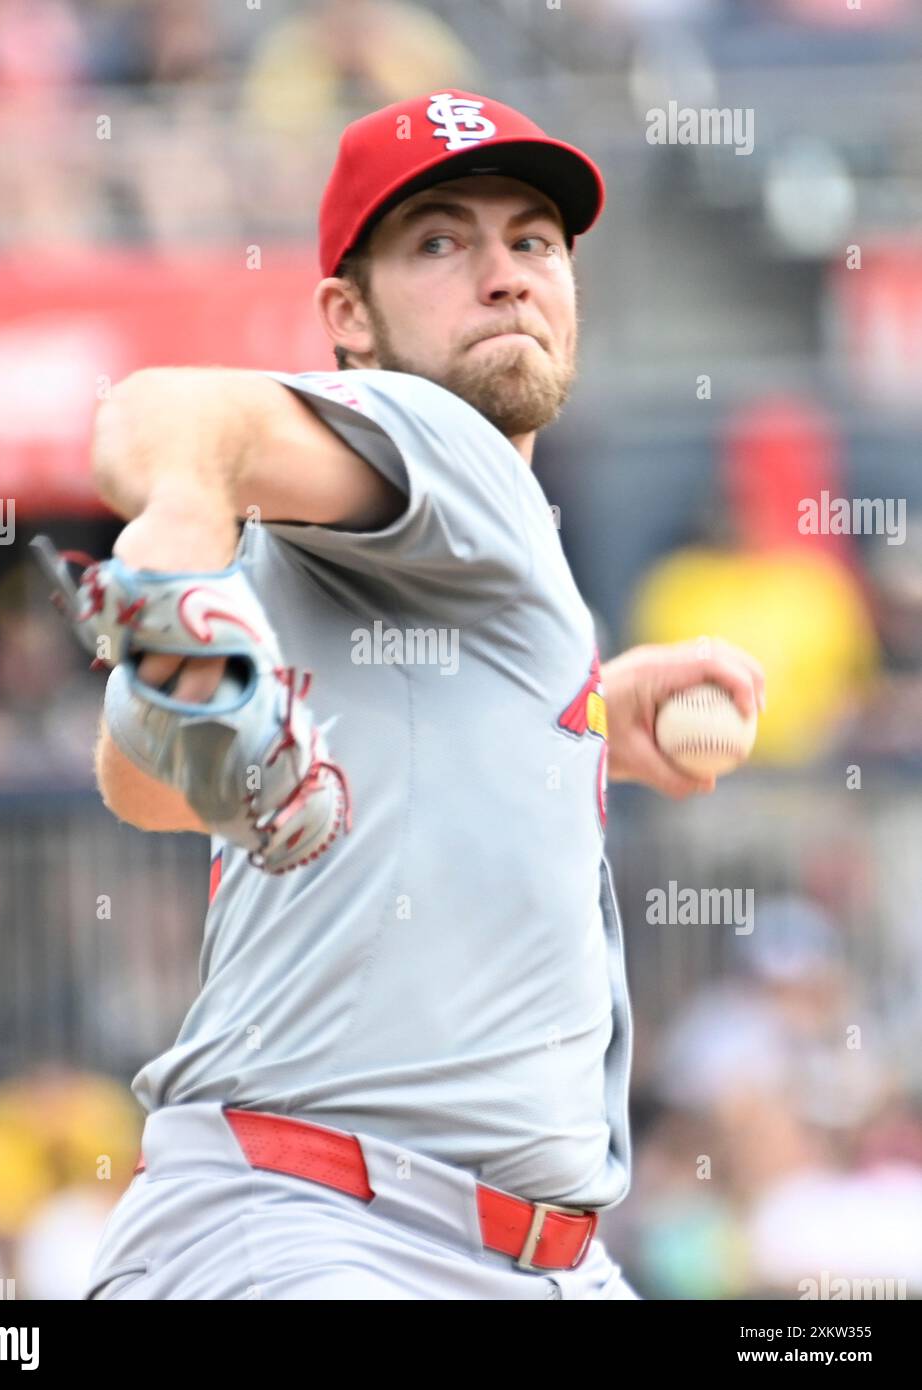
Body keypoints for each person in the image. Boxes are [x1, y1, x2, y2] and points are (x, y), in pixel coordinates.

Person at [82, 89, 765, 1300]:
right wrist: (175, 531)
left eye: (532, 240)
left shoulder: (409, 543)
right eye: (441, 241)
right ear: (347, 316)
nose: (502, 274)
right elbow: (160, 412)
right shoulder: (446, 446)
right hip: (331, 1232)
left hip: (510, 1253)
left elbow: (141, 786)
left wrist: (579, 720)